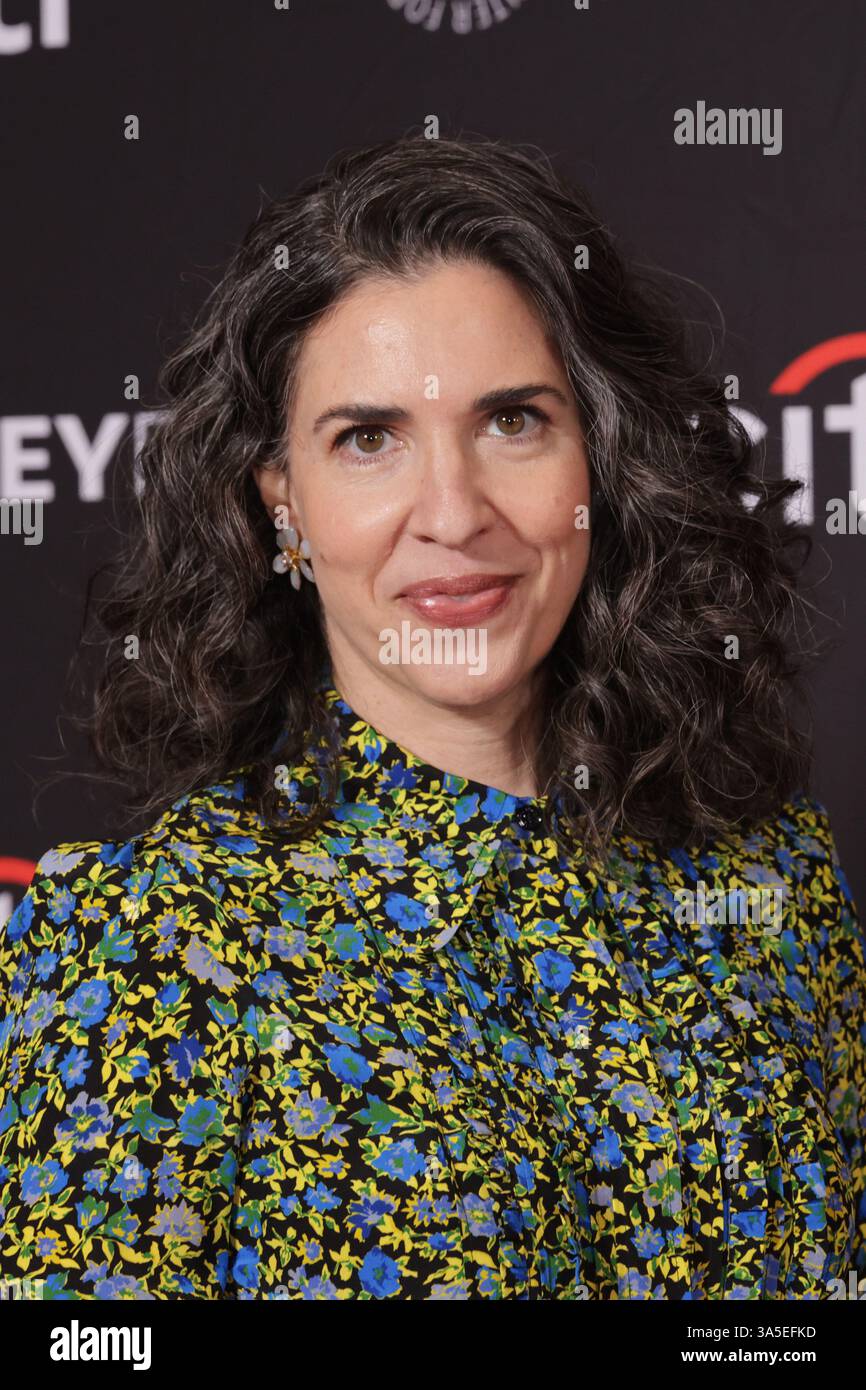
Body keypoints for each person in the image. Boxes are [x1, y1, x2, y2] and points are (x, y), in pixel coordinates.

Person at [0, 134, 863, 1301]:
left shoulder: (770, 876)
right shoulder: (157, 938)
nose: (451, 514)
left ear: (598, 459)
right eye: (368, 439)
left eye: (512, 421)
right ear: (281, 508)